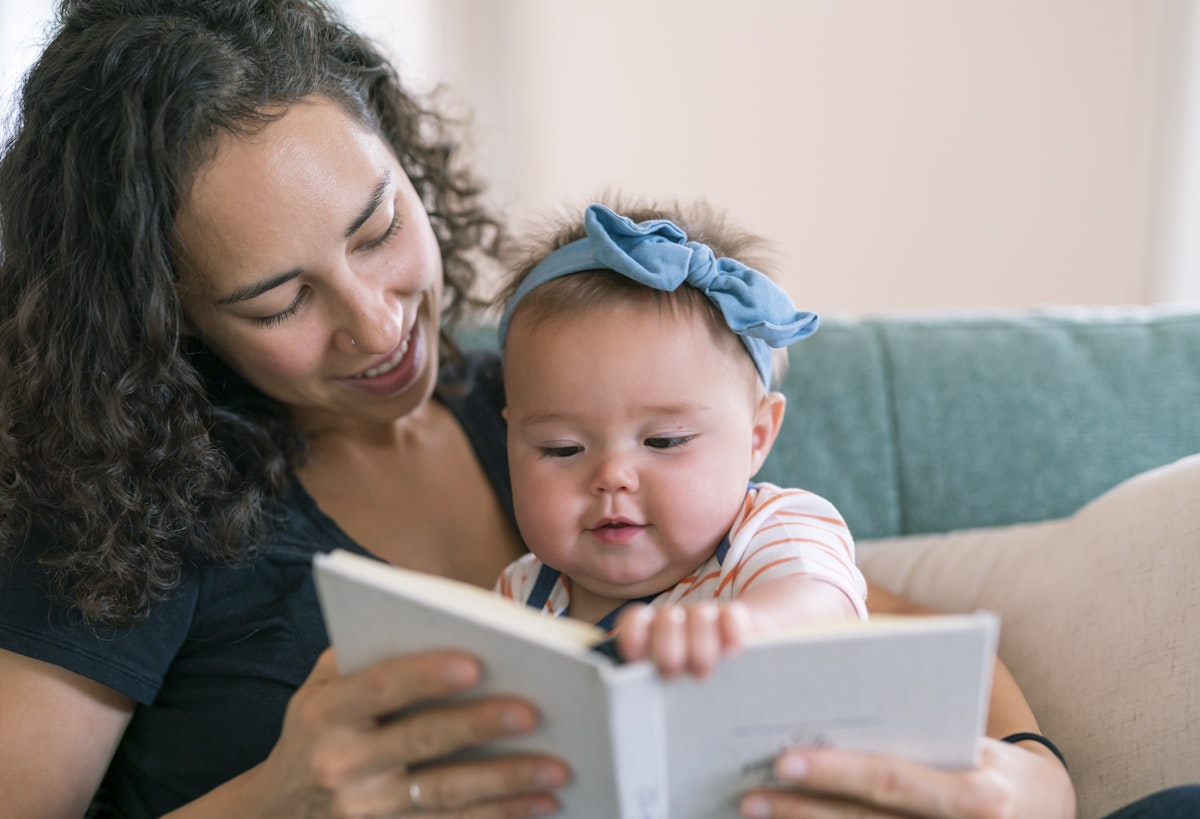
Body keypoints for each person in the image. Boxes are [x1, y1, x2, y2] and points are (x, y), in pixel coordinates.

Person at [0, 1, 1087, 817]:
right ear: (157, 317)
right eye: (280, 299)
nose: (380, 328)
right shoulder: (114, 511)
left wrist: (1026, 790)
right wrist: (276, 800)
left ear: (403, 156)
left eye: (377, 230)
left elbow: (899, 638)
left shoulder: (545, 406)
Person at [495, 202, 867, 678]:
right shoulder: (521, 590)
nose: (612, 477)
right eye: (561, 448)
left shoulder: (767, 535)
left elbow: (823, 605)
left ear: (756, 438)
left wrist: (736, 628)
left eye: (665, 441)